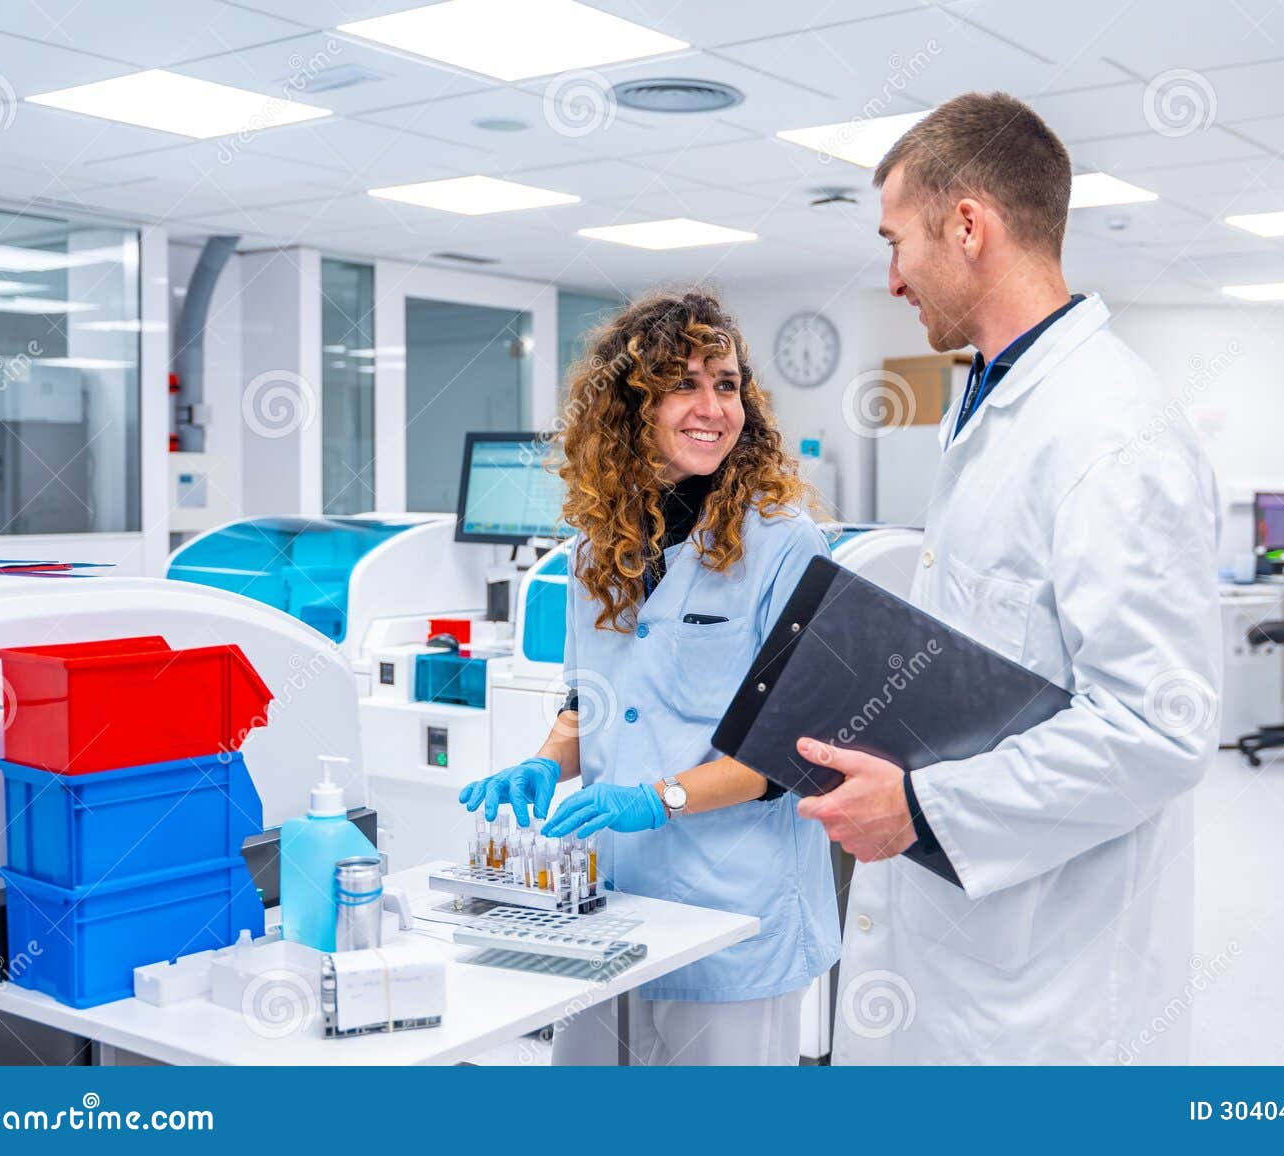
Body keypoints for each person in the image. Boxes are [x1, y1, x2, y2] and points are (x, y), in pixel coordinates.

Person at [795, 92, 1222, 1064]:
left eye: (896, 241)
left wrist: (921, 806)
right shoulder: (999, 403)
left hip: (1053, 988)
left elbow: (1158, 727)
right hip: (968, 953)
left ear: (968, 225)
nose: (893, 276)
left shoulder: (1112, 430)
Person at [460, 289, 839, 1066]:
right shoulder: (596, 551)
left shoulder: (786, 545)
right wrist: (545, 759)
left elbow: (789, 753)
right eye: (683, 384)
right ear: (632, 406)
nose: (712, 407)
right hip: (610, 904)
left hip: (736, 915)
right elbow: (586, 703)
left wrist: (656, 799)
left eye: (726, 384)